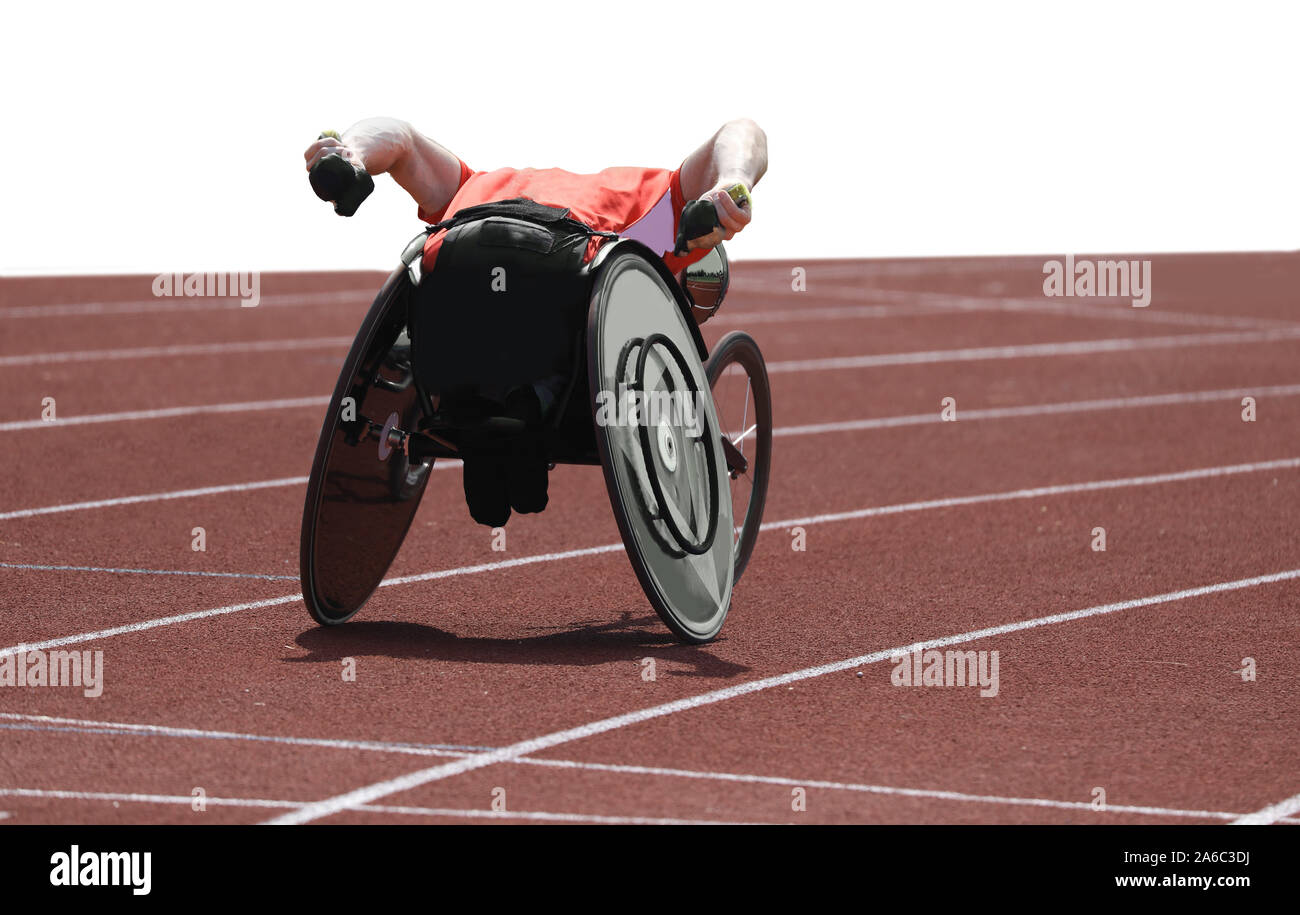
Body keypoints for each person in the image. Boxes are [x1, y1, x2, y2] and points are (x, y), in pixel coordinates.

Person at [303, 118, 768, 527]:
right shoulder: (662, 208)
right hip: (562, 272)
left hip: (458, 263)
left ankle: (478, 404)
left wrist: (350, 151)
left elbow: (399, 136)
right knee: (584, 310)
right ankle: (529, 407)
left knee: (488, 301)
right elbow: (745, 130)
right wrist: (731, 182)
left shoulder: (474, 184)